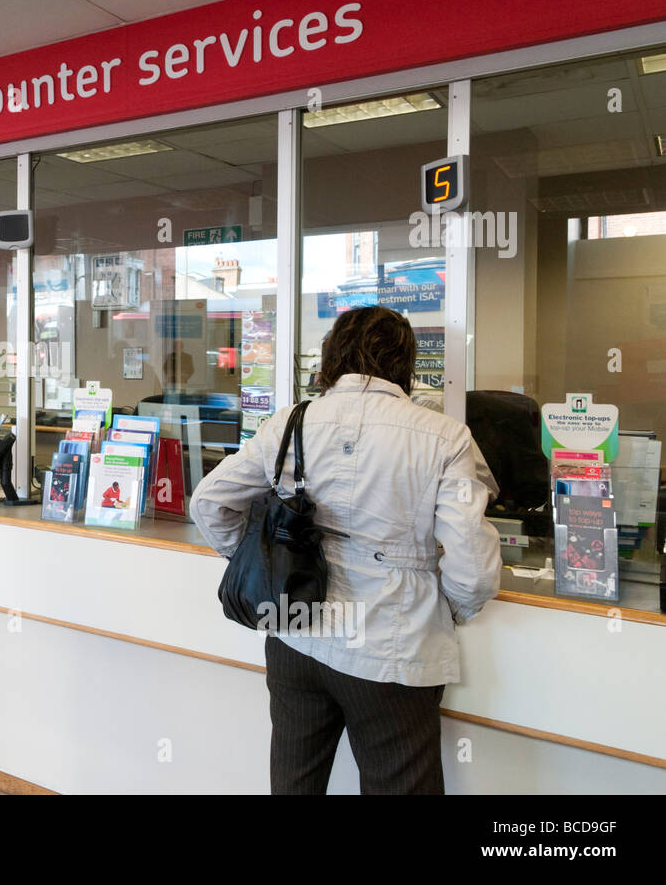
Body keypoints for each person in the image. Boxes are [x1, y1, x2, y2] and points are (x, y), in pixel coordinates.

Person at [190, 305, 500, 795]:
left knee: (295, 783)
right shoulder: (445, 437)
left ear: (332, 357)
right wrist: (452, 609)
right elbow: (474, 571)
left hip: (292, 629)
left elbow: (209, 503)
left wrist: (263, 563)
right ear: (406, 363)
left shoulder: (290, 422)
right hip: (391, 643)